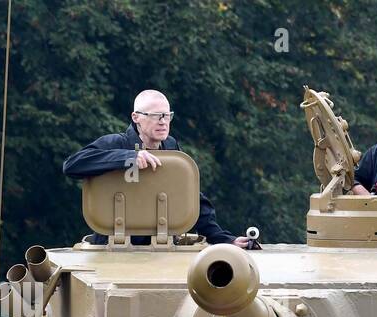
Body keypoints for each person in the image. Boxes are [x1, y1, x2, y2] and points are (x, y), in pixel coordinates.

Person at [63, 89, 250, 247]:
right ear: (136, 117)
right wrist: (128, 157)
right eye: (155, 116)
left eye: (167, 115)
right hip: (114, 247)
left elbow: (189, 198)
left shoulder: (170, 146)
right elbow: (72, 165)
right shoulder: (116, 143)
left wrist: (225, 240)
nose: (163, 121)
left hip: (162, 248)